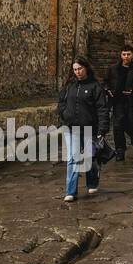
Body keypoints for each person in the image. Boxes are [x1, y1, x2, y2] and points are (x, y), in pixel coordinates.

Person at [57, 57, 110, 202]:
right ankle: (70, 191)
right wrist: (64, 114)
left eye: (80, 68)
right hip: (71, 127)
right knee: (73, 158)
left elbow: (102, 109)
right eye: (75, 69)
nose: (77, 72)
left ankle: (92, 182)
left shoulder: (95, 87)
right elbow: (61, 102)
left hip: (89, 128)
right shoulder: (69, 85)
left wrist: (102, 128)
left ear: (86, 68)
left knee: (89, 158)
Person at [108, 45, 133, 161]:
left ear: (132, 55)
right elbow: (106, 82)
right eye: (124, 54)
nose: (126, 57)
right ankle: (120, 150)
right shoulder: (113, 69)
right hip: (118, 101)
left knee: (131, 125)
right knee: (118, 126)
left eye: (128, 54)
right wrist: (108, 91)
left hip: (131, 101)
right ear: (121, 55)